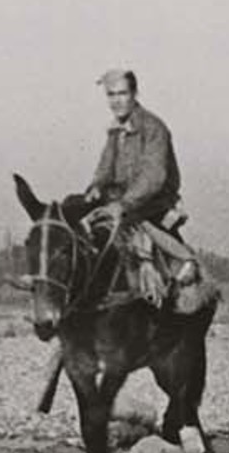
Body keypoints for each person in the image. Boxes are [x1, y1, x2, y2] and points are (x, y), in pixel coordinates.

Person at [68, 68, 198, 308]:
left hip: (151, 204)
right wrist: (96, 187)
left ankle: (181, 273)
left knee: (147, 235)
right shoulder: (115, 131)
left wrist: (124, 204)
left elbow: (154, 177)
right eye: (110, 95)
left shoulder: (154, 128)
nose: (116, 100)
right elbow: (105, 167)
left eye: (122, 93)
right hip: (118, 201)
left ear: (134, 93)